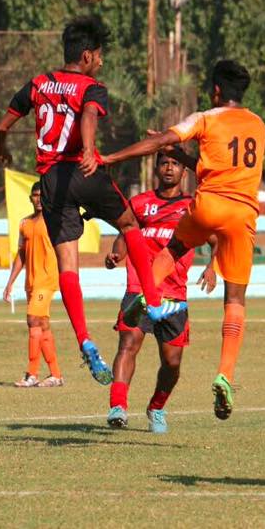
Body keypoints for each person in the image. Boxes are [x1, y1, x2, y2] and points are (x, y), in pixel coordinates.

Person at [0, 15, 186, 386]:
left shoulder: (37, 84)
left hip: (51, 182)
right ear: (85, 56)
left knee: (68, 264)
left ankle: (84, 340)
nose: (100, 62)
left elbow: (2, 126)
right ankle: (154, 302)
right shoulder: (91, 87)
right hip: (84, 172)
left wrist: (2, 151)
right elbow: (87, 115)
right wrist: (88, 148)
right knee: (130, 223)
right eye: (98, 56)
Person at [101, 59, 265, 420]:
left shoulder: (206, 118)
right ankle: (225, 374)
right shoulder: (258, 125)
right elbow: (223, 168)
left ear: (216, 91)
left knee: (174, 248)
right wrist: (187, 159)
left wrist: (113, 156)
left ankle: (146, 293)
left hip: (208, 206)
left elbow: (160, 141)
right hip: (242, 215)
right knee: (235, 299)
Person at [104, 149, 217, 433]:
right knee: (128, 346)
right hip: (139, 289)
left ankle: (156, 407)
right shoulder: (140, 204)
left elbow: (216, 239)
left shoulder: (193, 206)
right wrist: (116, 255)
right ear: (156, 169)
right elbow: (124, 233)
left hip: (174, 296)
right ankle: (118, 407)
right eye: (164, 163)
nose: (169, 168)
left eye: (175, 164)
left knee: (172, 363)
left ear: (184, 171)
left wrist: (213, 267)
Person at [3, 182, 63, 388]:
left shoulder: (54, 221)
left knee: (32, 321)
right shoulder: (24, 224)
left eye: (42, 195)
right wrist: (10, 282)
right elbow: (21, 255)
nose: (38, 199)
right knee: (43, 326)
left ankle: (32, 373)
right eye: (35, 195)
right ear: (30, 198)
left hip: (47, 280)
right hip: (31, 282)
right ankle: (55, 375)